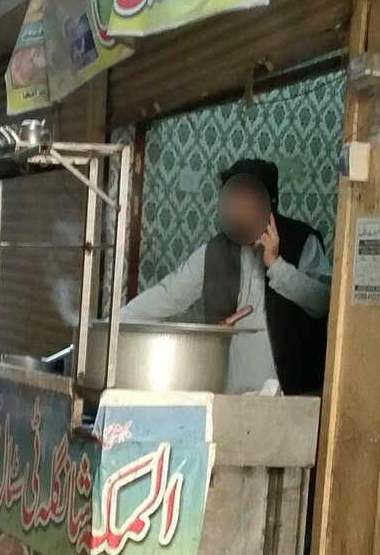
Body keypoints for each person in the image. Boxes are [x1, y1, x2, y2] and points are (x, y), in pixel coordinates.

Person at [120, 158, 332, 396]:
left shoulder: (302, 241)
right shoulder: (217, 250)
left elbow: (323, 302)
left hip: (296, 396)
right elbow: (167, 294)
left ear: (269, 203)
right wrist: (115, 323)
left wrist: (277, 266)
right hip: (232, 396)